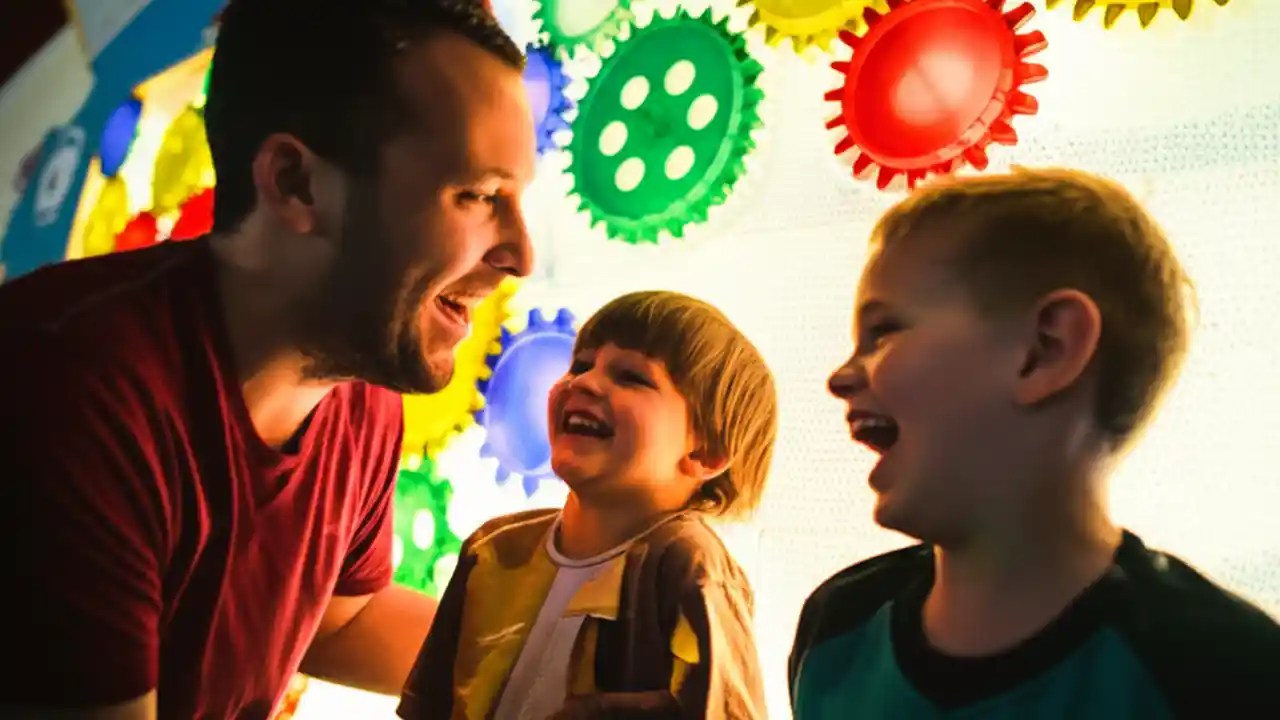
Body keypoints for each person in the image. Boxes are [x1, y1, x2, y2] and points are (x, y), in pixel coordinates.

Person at [0, 0, 535, 717]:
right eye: (476, 195)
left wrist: (554, 663)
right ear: (295, 182)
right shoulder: (71, 392)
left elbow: (342, 618)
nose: (519, 254)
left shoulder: (360, 392)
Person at [788, 167, 1280, 718]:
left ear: (1046, 349)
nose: (840, 378)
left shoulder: (1227, 675)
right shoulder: (836, 631)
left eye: (884, 331)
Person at [397, 291, 776, 719]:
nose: (583, 382)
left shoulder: (689, 567)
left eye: (631, 376)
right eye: (580, 365)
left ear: (705, 453)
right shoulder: (493, 548)